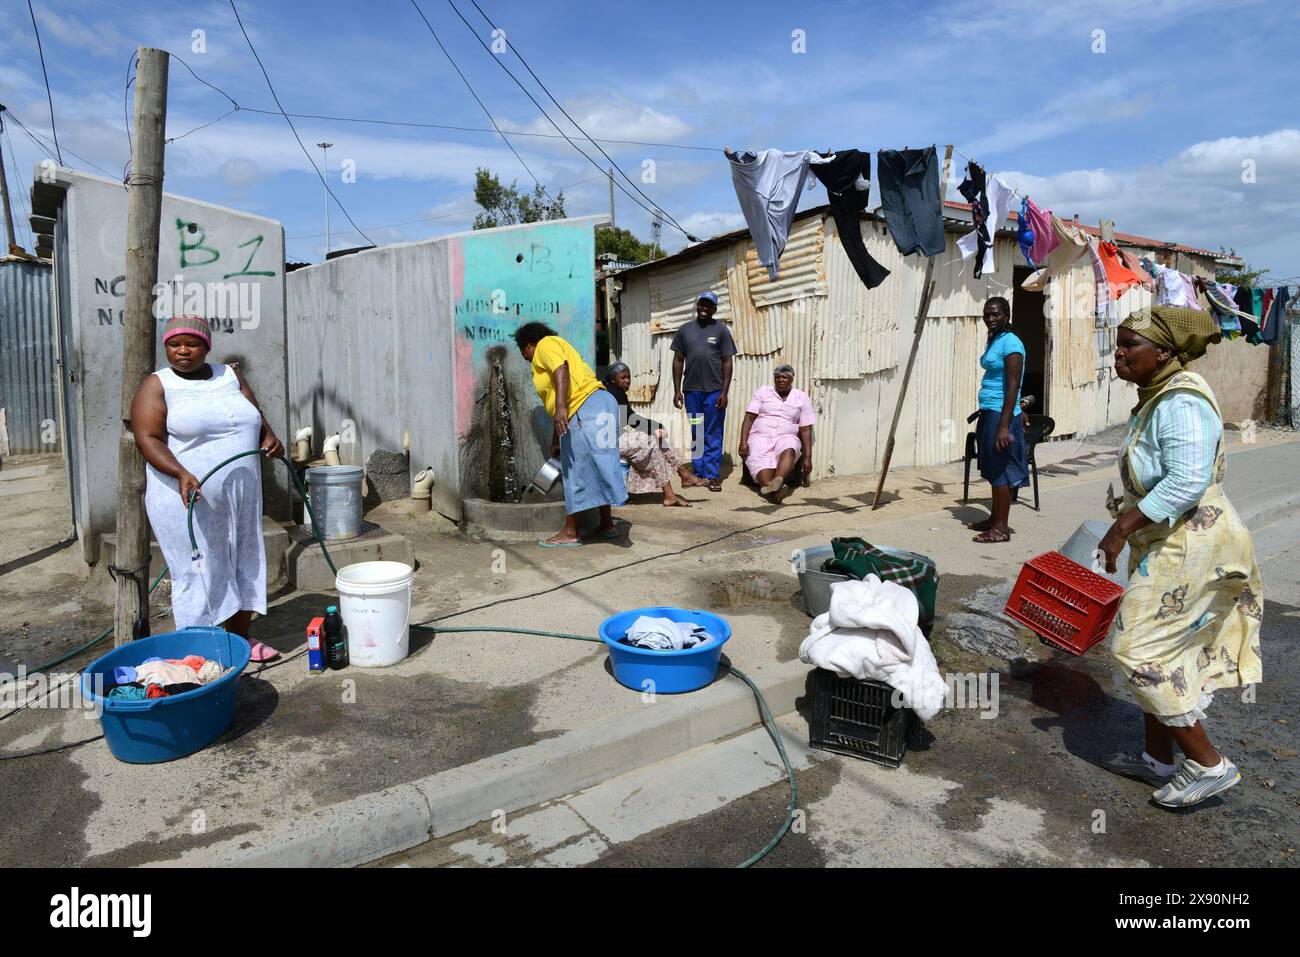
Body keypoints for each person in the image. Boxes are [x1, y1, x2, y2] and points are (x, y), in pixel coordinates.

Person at [1097, 305, 1261, 808]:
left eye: (1130, 345)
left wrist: (1121, 528)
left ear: (1163, 352)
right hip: (1171, 543)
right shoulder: (1160, 395)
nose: (1119, 353)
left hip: (1193, 544)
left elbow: (1187, 480)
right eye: (1118, 342)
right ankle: (1157, 762)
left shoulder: (1181, 400)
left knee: (1136, 647)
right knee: (1163, 649)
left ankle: (1209, 765)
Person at [130, 315, 283, 661]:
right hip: (185, 497)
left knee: (245, 560)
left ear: (206, 347)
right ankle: (199, 651)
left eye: (193, 344)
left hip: (240, 496)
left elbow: (253, 415)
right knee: (199, 570)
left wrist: (269, 437)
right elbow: (147, 438)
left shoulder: (229, 376)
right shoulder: (157, 385)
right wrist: (181, 472)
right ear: (166, 347)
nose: (183, 351)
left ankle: (240, 641)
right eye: (174, 344)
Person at [514, 322, 628, 546]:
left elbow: (560, 369)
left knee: (574, 470)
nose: (526, 359)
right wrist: (558, 438)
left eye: (524, 353)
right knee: (599, 464)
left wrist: (560, 408)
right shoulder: (563, 345)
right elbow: (564, 385)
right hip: (602, 404)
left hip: (584, 408)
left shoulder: (545, 345)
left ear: (528, 345)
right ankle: (606, 524)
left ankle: (570, 532)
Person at [969, 296, 1029, 543]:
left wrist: (1004, 425)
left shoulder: (1012, 343)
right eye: (987, 314)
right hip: (990, 411)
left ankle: (1001, 529)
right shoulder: (996, 339)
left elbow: (1013, 386)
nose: (991, 319)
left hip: (1001, 414)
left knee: (1000, 469)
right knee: (992, 466)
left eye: (996, 314)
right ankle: (994, 519)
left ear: (1007, 315)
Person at [601, 363, 696, 507]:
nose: (627, 380)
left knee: (653, 444)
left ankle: (675, 487)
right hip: (608, 441)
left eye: (629, 377)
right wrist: (656, 427)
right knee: (652, 440)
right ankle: (682, 475)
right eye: (623, 377)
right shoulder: (614, 393)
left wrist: (653, 427)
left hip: (612, 437)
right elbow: (630, 418)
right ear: (613, 379)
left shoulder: (610, 390)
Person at [671, 291, 736, 492]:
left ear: (714, 309)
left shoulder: (721, 331)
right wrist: (676, 390)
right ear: (697, 306)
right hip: (692, 393)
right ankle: (698, 472)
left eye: (709, 305)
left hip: (714, 392)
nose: (704, 308)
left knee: (713, 432)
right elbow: (678, 360)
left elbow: (727, 362)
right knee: (697, 431)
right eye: (702, 304)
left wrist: (724, 392)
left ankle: (712, 475)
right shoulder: (685, 330)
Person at [738, 364, 814, 499]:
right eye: (777, 377)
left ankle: (778, 480)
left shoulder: (801, 397)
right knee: (761, 471)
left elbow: (806, 429)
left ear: (791, 379)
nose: (781, 380)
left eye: (784, 377)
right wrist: (743, 441)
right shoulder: (763, 392)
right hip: (760, 437)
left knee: (791, 448)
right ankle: (775, 491)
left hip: (786, 436)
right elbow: (749, 417)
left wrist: (808, 457)